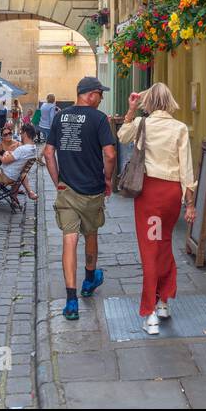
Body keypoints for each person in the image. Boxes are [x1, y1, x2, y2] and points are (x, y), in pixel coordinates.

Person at [118, 84, 196, 335]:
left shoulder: (143, 125)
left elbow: (122, 136)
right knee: (163, 245)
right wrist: (190, 203)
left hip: (150, 193)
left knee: (149, 249)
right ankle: (163, 301)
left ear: (148, 102)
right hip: (172, 194)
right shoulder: (180, 128)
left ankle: (149, 311)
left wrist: (130, 111)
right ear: (170, 101)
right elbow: (187, 168)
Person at [44, 77, 117, 322]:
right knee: (91, 235)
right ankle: (88, 280)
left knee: (69, 240)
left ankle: (71, 300)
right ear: (92, 94)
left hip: (67, 190)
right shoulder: (99, 119)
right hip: (92, 191)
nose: (102, 99)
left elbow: (48, 151)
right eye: (101, 94)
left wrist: (57, 182)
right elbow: (109, 153)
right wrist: (108, 180)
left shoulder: (59, 116)